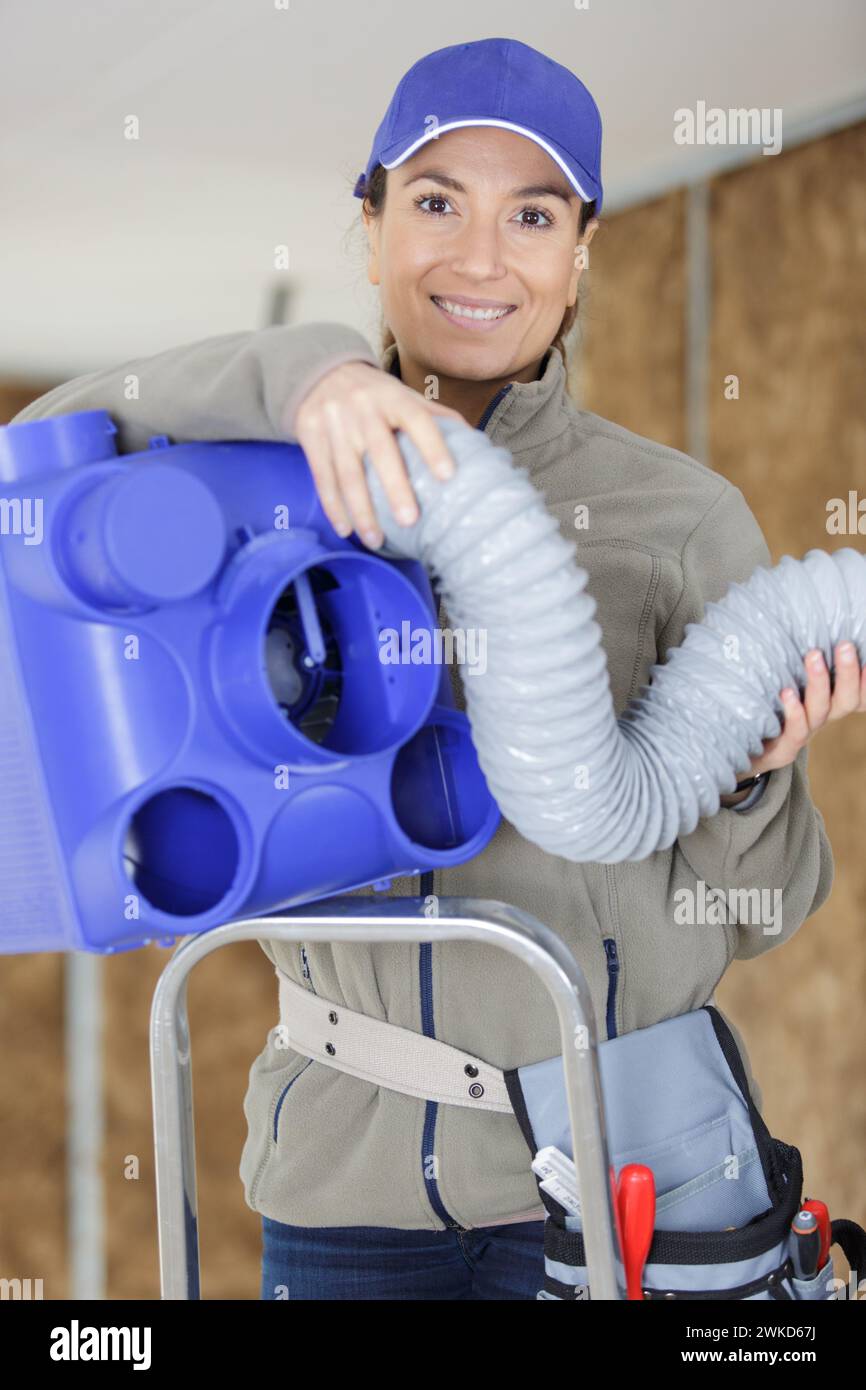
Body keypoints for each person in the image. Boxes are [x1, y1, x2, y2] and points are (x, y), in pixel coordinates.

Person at [14, 37, 865, 1301]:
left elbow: (762, 914)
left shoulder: (676, 518)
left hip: (616, 1176)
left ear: (578, 252)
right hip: (340, 1188)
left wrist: (745, 784)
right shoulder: (265, 462)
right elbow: (37, 462)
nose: (479, 258)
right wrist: (307, 379)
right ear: (369, 228)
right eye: (433, 203)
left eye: (530, 215)